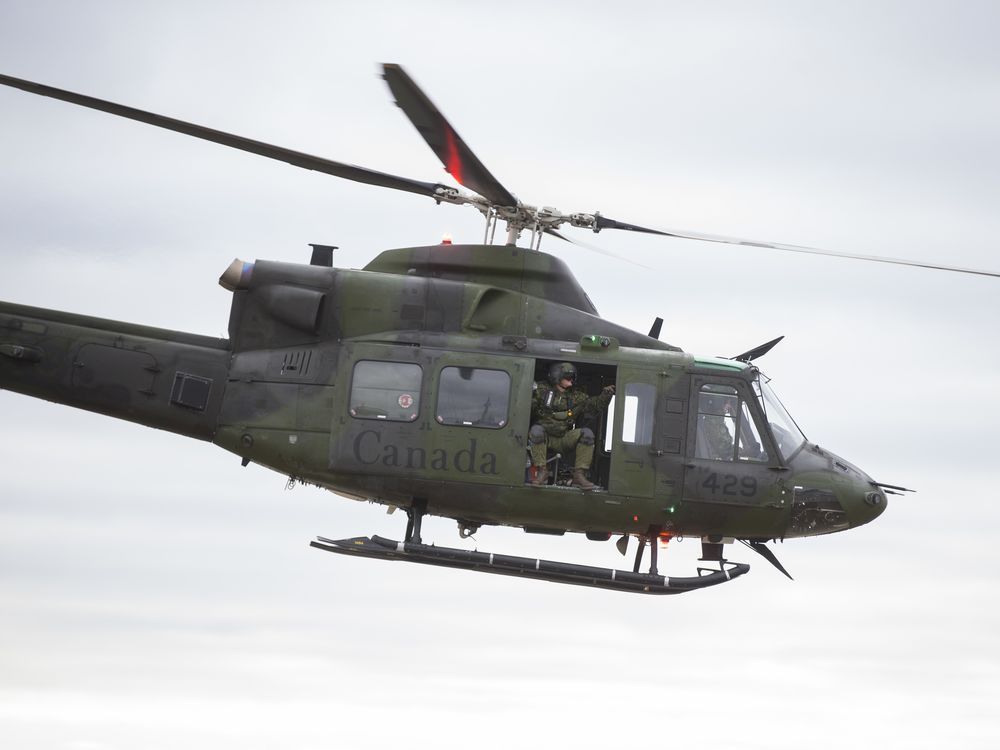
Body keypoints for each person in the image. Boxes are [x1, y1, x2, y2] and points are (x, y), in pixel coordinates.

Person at [529, 362, 615, 490]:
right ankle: (542, 471)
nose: (572, 381)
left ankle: (579, 475)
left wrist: (606, 395)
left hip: (564, 438)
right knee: (536, 430)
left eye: (572, 378)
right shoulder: (541, 390)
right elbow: (526, 405)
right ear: (557, 376)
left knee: (587, 434)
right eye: (568, 377)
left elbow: (593, 406)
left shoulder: (576, 396)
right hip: (544, 437)